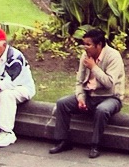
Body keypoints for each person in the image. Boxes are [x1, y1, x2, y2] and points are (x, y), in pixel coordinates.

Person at [48, 27, 124, 158]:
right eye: (84, 44)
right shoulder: (85, 56)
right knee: (62, 103)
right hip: (89, 95)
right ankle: (63, 141)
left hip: (111, 97)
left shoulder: (113, 56)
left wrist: (94, 67)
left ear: (99, 45)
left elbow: (109, 83)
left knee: (102, 110)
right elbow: (79, 81)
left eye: (88, 45)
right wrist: (81, 97)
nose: (85, 48)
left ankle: (95, 145)